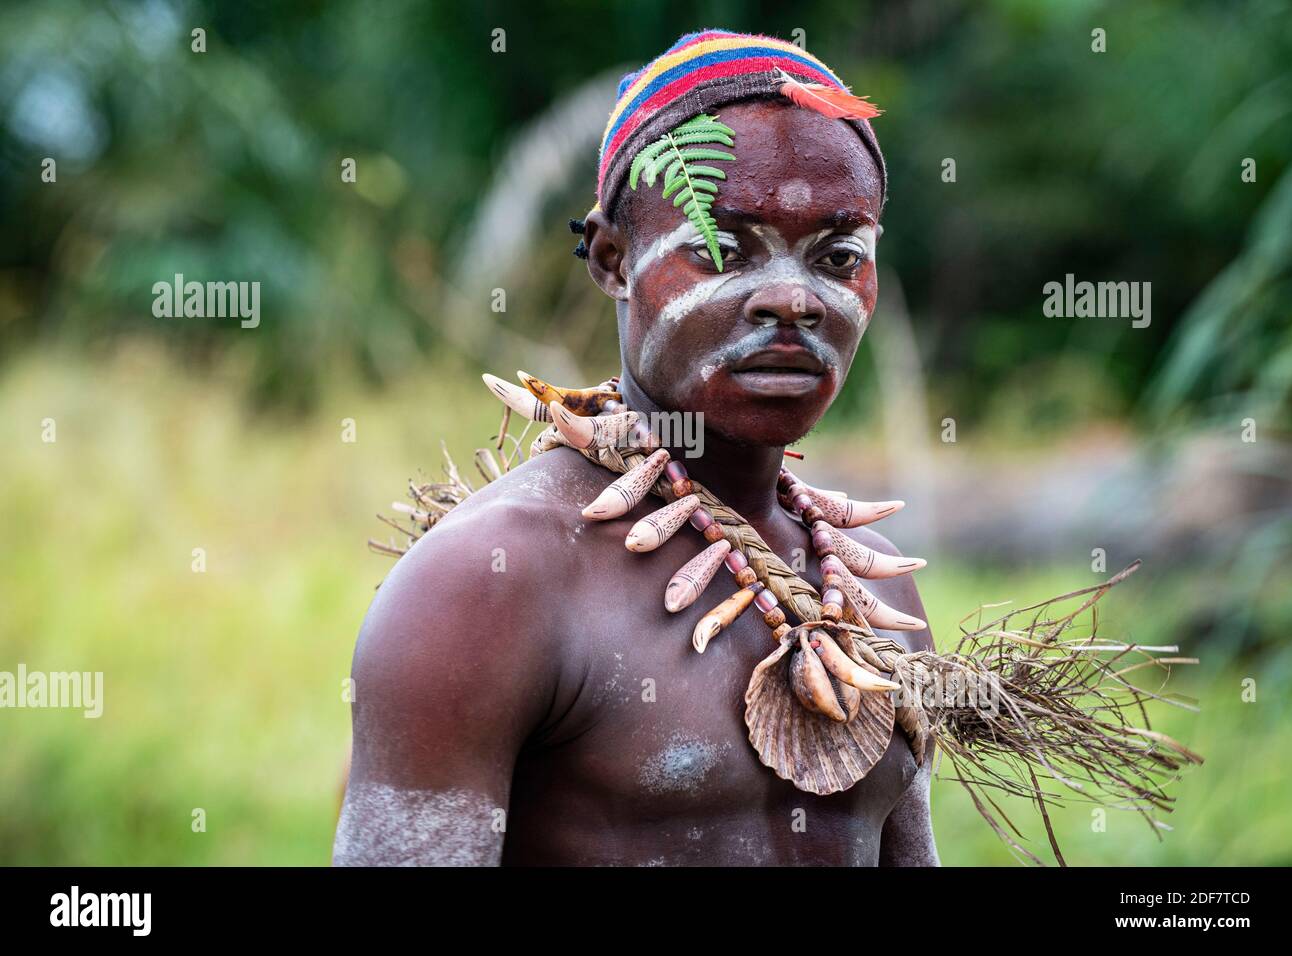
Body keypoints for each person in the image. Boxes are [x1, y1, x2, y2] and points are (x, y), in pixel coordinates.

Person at [333, 30, 939, 866]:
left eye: (838, 256)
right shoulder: (484, 587)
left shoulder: (880, 599)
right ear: (613, 261)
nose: (795, 299)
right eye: (725, 250)